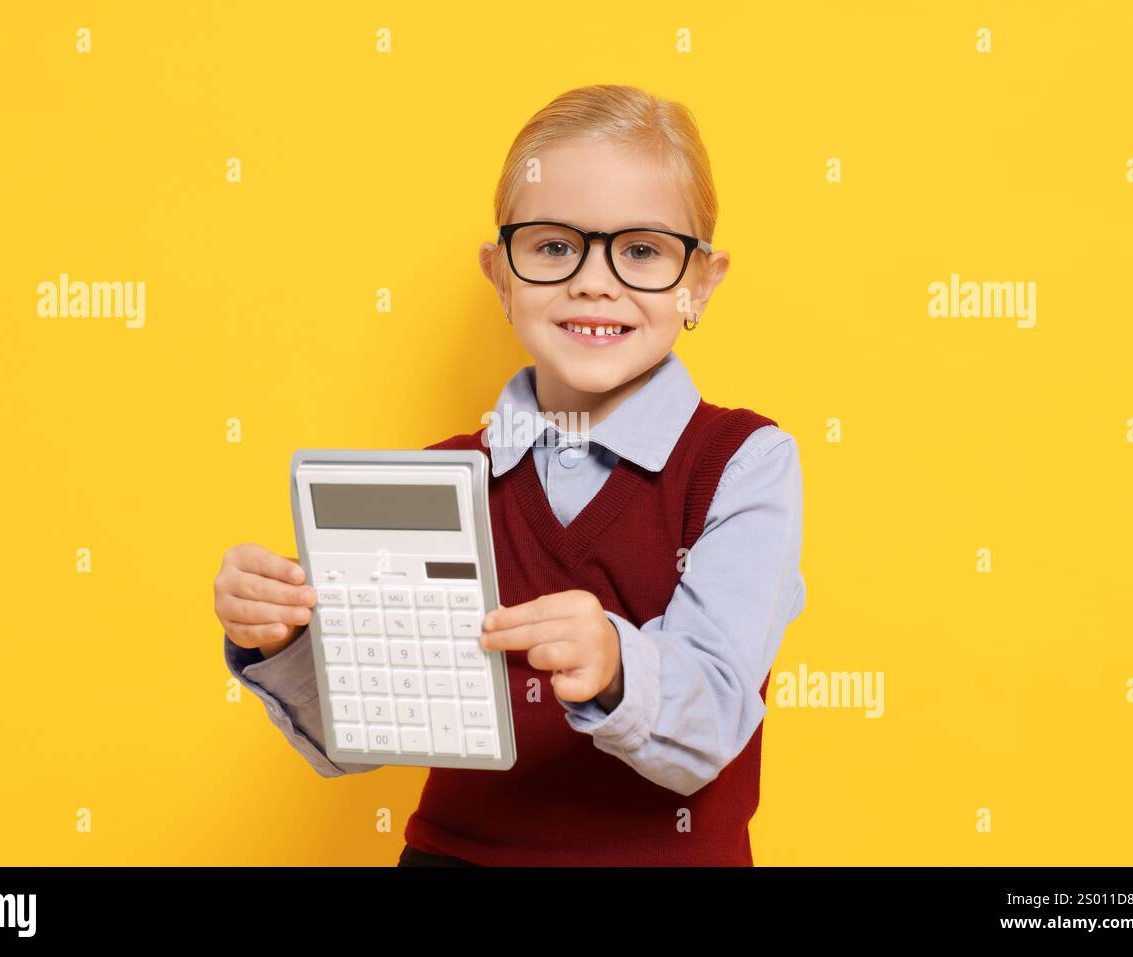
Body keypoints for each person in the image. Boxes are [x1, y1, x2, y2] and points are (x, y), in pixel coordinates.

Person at [215, 84, 806, 866]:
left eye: (642, 251)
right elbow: (353, 738)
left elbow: (712, 716)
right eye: (555, 245)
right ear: (499, 274)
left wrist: (613, 660)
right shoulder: (441, 478)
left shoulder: (743, 463)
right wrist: (280, 641)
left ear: (700, 282)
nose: (595, 281)